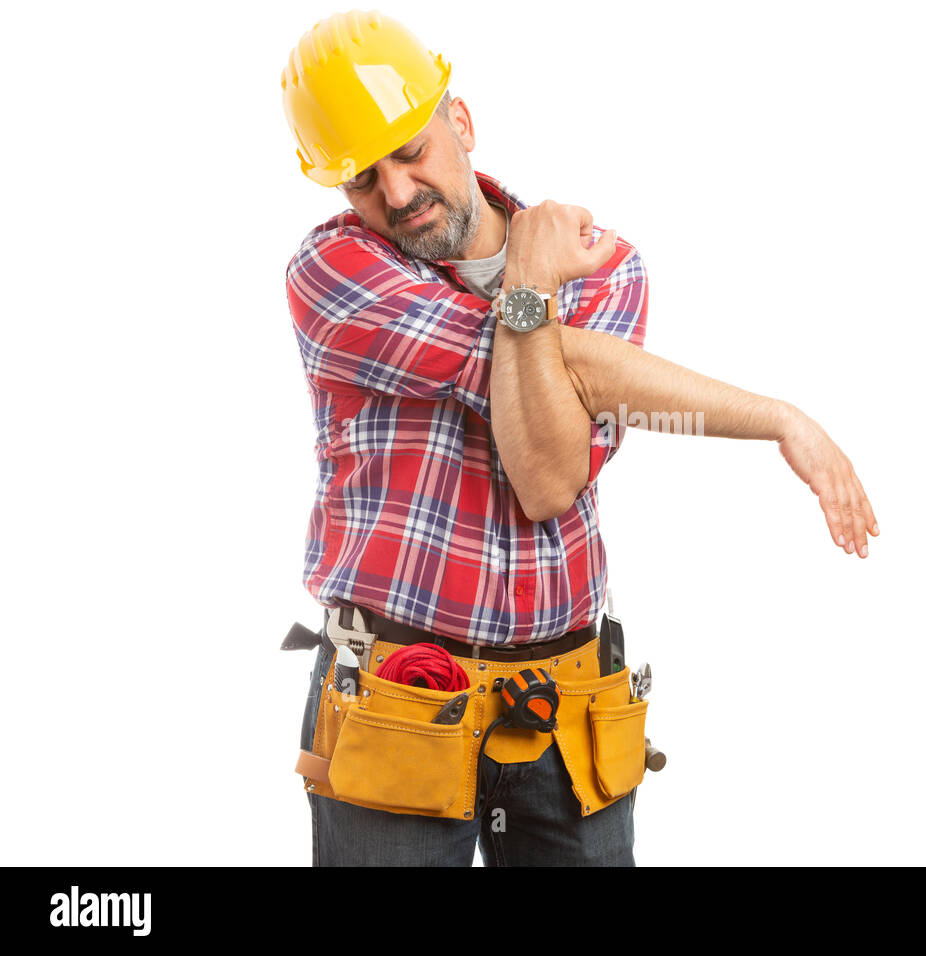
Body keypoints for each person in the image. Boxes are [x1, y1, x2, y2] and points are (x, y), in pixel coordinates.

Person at [281, 10, 879, 867]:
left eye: (409, 152)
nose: (398, 194)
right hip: (392, 691)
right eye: (363, 180)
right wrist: (530, 280)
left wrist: (534, 307)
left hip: (564, 700)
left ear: (460, 121)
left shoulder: (609, 265)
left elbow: (550, 472)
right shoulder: (335, 271)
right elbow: (550, 402)